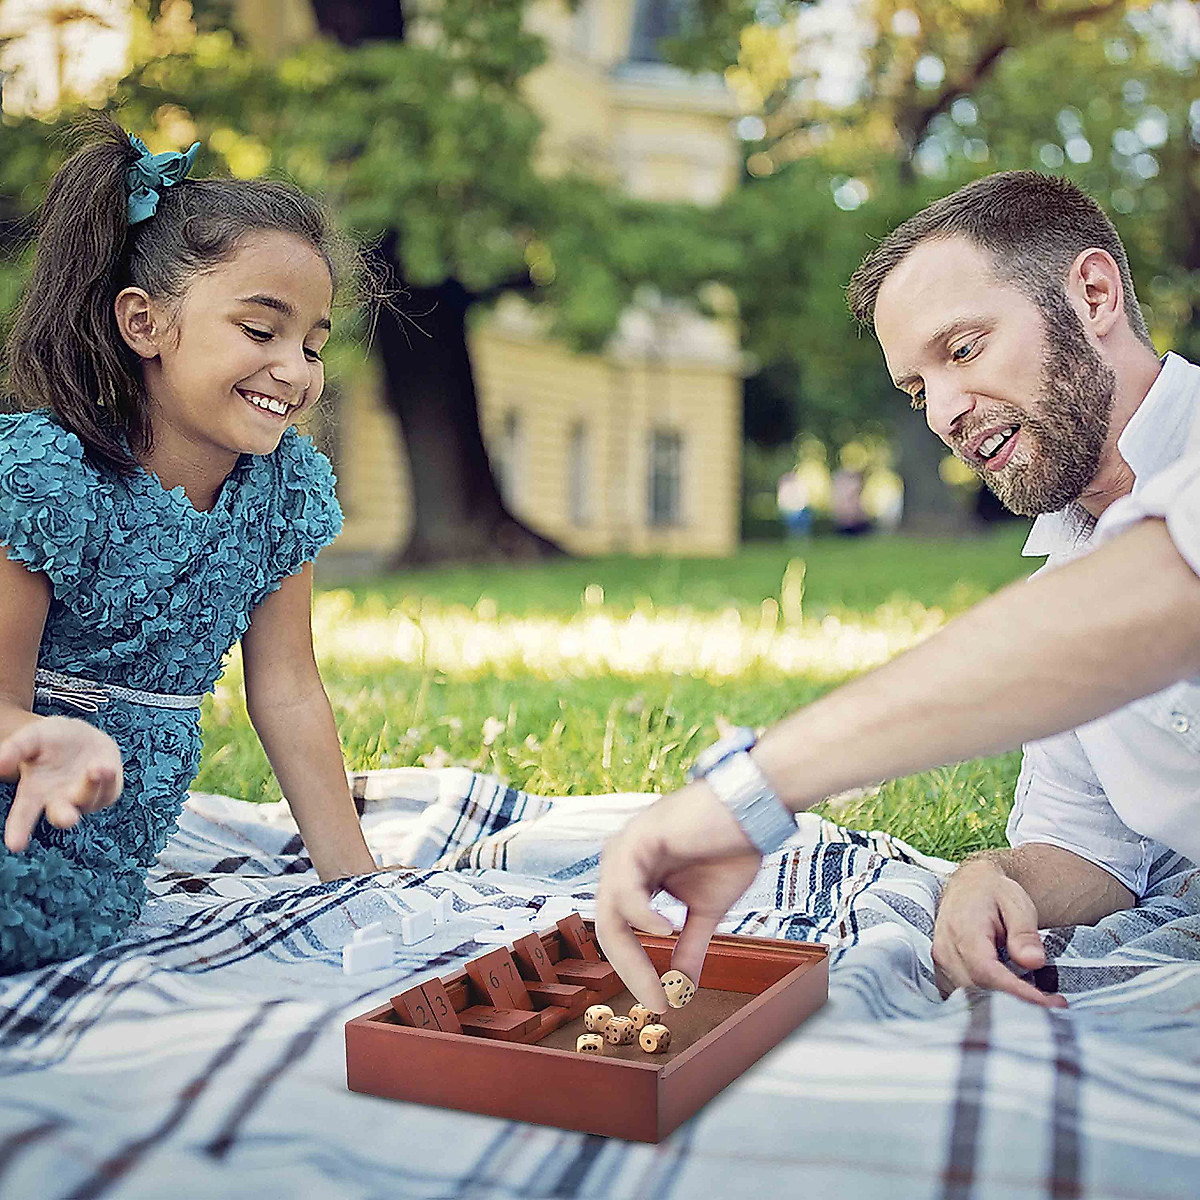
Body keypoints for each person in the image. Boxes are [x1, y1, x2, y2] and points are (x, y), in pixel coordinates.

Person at [595, 171, 1200, 1015]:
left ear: (1093, 294)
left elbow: (1152, 601)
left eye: (962, 350)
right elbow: (1087, 852)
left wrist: (747, 797)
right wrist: (991, 880)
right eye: (918, 390)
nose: (945, 412)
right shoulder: (1073, 560)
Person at [0, 120, 378, 972]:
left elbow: (287, 690)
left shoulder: (283, 492)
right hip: (22, 806)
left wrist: (355, 886)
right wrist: (48, 740)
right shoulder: (45, 479)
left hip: (103, 846)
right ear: (145, 324)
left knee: (70, 918)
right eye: (261, 331)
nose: (296, 368)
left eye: (314, 343)